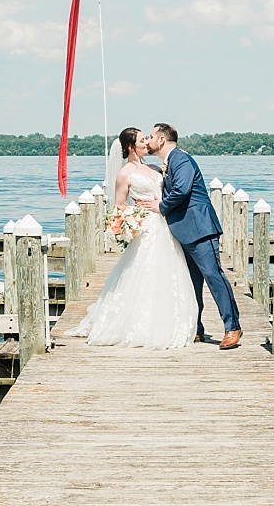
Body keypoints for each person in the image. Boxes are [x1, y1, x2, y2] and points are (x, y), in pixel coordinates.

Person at [69, 127, 199, 348]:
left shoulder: (154, 167)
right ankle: (140, 324)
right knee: (144, 271)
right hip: (146, 227)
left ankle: (171, 321)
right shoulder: (125, 174)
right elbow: (120, 206)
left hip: (164, 225)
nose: (146, 143)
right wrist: (131, 221)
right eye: (141, 140)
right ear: (131, 147)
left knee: (169, 272)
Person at [143, 123, 241, 349]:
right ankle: (196, 328)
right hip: (184, 231)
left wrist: (161, 206)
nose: (148, 141)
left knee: (214, 277)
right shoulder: (170, 162)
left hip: (200, 228)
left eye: (150, 136)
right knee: (191, 283)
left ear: (161, 140)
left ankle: (232, 326)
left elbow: (182, 190)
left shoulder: (181, 159)